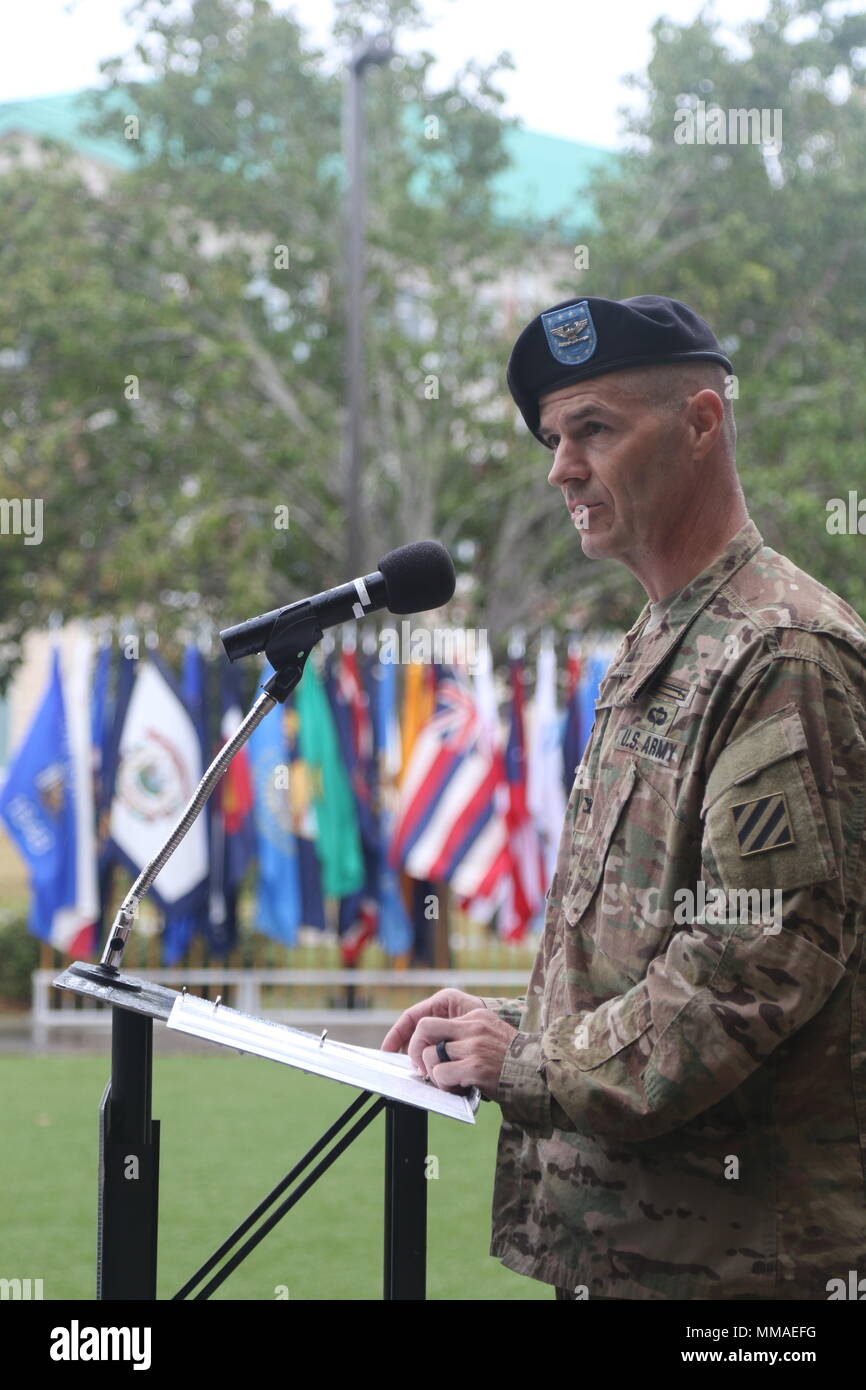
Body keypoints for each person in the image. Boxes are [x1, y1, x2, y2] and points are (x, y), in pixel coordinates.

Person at [382, 294, 866, 1301]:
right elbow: (641, 940)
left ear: (700, 422)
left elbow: (751, 962)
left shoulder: (777, 650)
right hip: (639, 1251)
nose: (561, 466)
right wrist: (514, 1024)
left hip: (739, 1269)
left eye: (593, 429)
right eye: (553, 437)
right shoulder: (663, 638)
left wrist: (528, 1065)